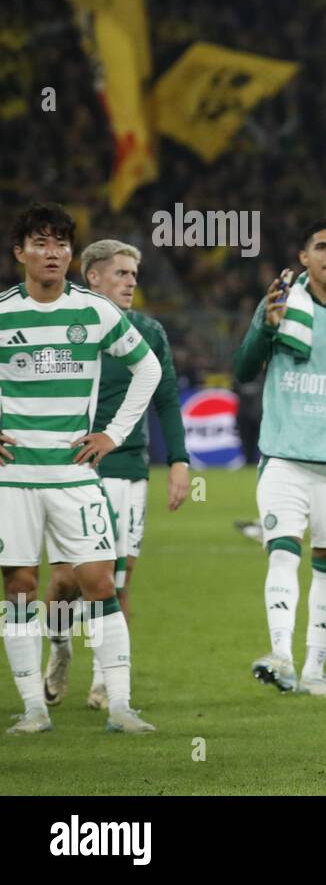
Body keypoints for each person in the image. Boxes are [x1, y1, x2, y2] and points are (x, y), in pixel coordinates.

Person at [1, 202, 161, 734]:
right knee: (21, 586)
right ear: (20, 251)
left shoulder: (94, 310)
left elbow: (149, 368)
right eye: (41, 243)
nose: (53, 253)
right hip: (14, 477)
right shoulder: (3, 312)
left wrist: (113, 434)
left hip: (74, 475)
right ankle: (33, 710)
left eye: (61, 243)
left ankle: (119, 705)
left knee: (99, 581)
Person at [41, 239, 190, 711]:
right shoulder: (66, 327)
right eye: (121, 273)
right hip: (73, 469)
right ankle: (61, 645)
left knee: (118, 579)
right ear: (94, 278)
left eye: (134, 275)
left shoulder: (148, 331)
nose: (131, 282)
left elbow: (165, 398)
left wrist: (180, 461)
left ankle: (107, 679)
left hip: (129, 468)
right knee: (67, 577)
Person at [234, 219, 326, 696]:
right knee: (282, 552)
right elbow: (244, 369)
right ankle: (281, 655)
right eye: (321, 246)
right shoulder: (282, 306)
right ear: (304, 258)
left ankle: (315, 671)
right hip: (285, 458)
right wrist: (266, 329)